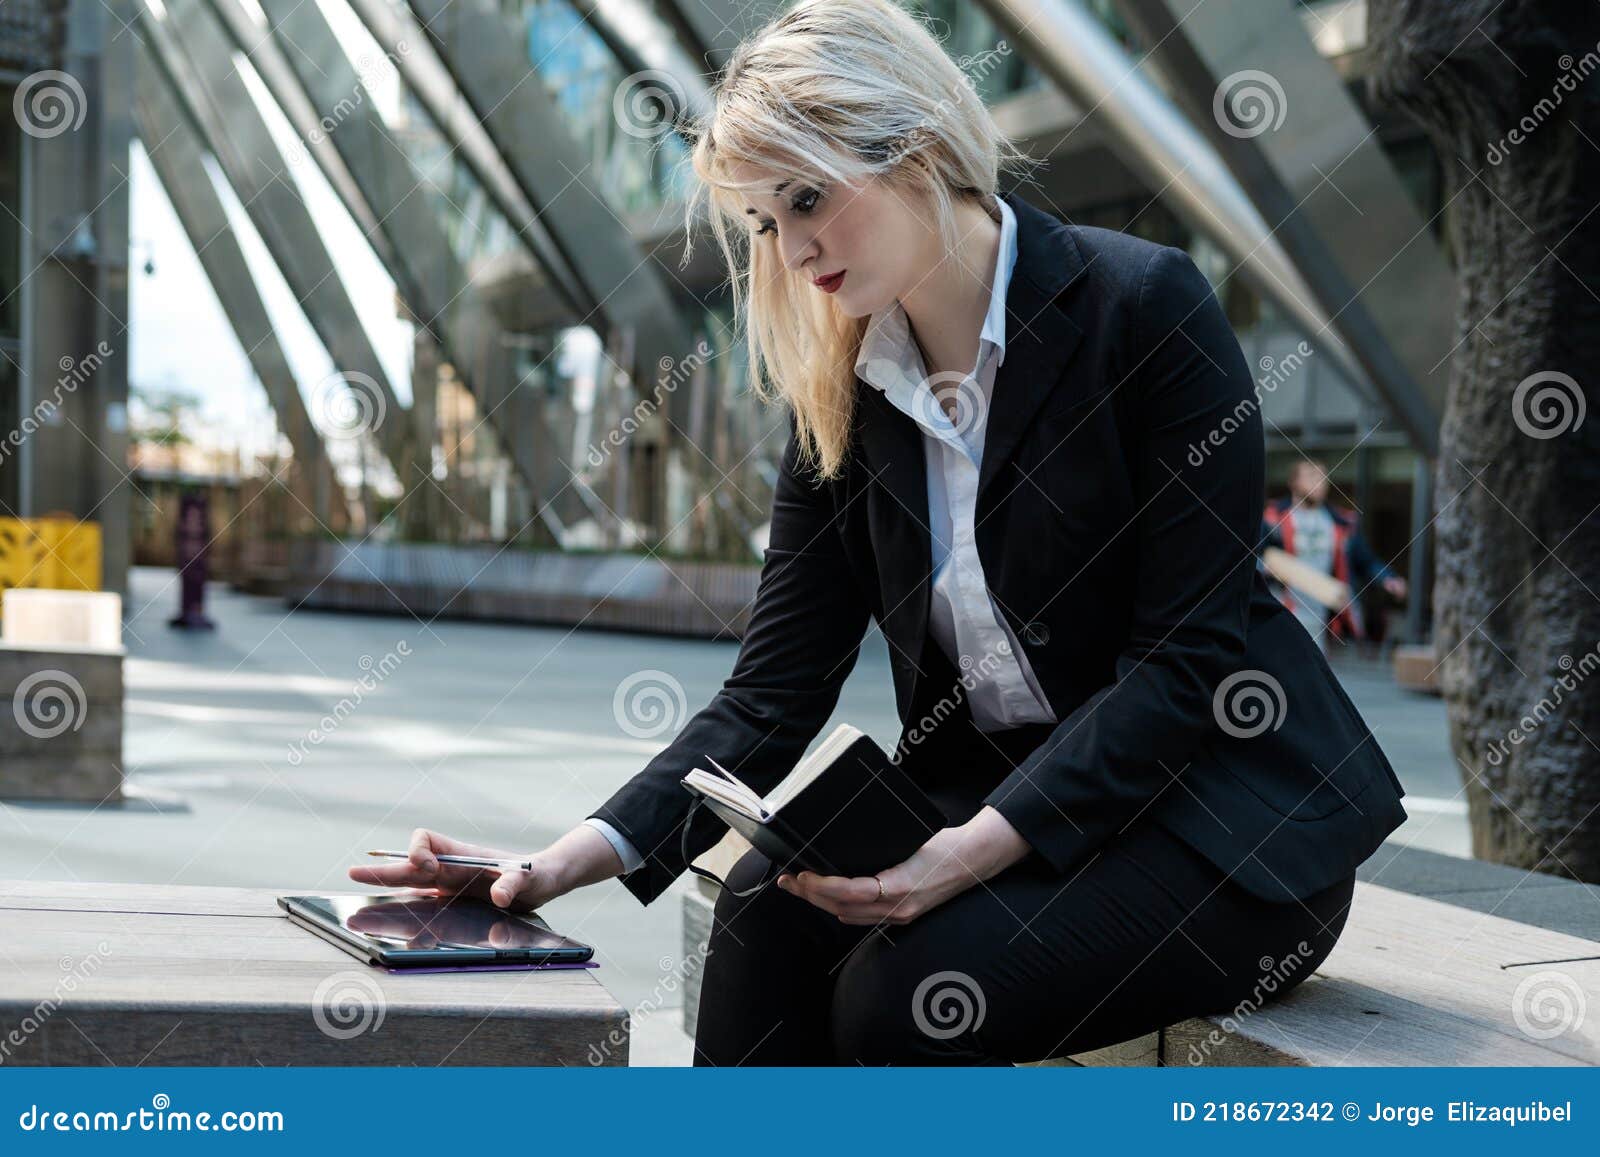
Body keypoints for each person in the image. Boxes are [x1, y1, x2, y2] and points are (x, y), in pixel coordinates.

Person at [349, 0, 1408, 1066]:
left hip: (1222, 821)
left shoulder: (1142, 310)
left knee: (904, 992)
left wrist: (956, 858)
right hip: (1007, 796)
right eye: (766, 221)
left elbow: (1183, 666)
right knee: (761, 911)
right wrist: (559, 859)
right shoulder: (840, 398)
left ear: (913, 144)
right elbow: (770, 693)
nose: (793, 250)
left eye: (807, 198)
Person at [1261, 458, 1408, 649]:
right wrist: (1264, 567)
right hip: (1282, 614)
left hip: (1325, 617)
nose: (1319, 483)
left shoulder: (1340, 523)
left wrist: (1388, 578)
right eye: (1312, 476)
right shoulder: (1272, 520)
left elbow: (1365, 560)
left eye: (1323, 478)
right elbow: (1251, 556)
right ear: (1293, 482)